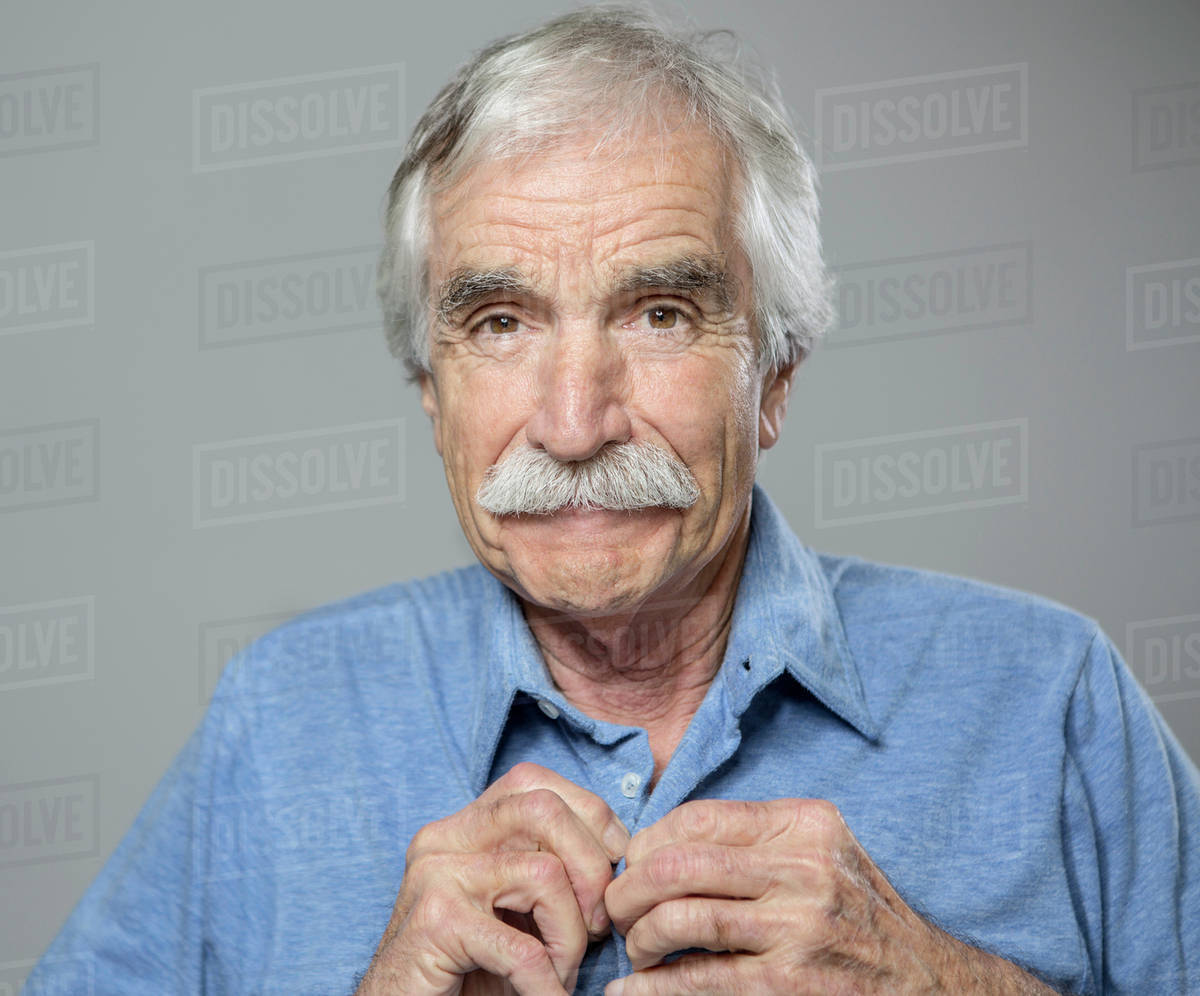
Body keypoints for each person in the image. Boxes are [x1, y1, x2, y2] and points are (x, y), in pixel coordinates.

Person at [26, 7, 1200, 995]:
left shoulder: (1050, 702)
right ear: (430, 396)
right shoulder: (278, 724)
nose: (575, 423)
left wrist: (945, 981)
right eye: (499, 324)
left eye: (661, 314)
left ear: (775, 375)